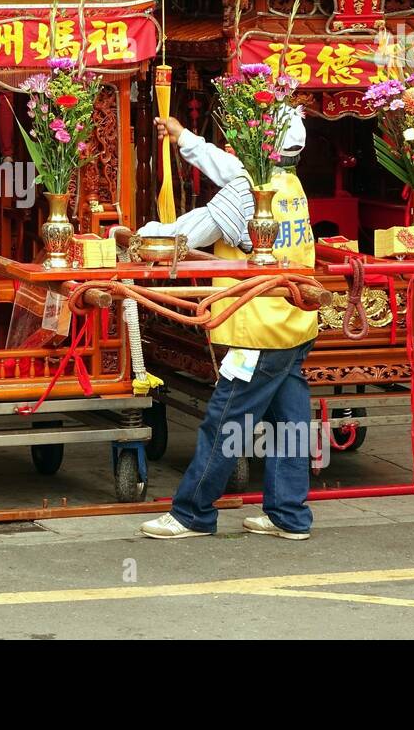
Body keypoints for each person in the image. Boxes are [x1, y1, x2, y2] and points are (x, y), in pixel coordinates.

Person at [138, 109, 318, 541]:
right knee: (290, 423)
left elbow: (188, 232)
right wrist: (185, 139)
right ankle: (288, 515)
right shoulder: (288, 184)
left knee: (226, 421)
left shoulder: (245, 192)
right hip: (294, 327)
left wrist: (139, 237)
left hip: (256, 332)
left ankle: (192, 513)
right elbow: (232, 168)